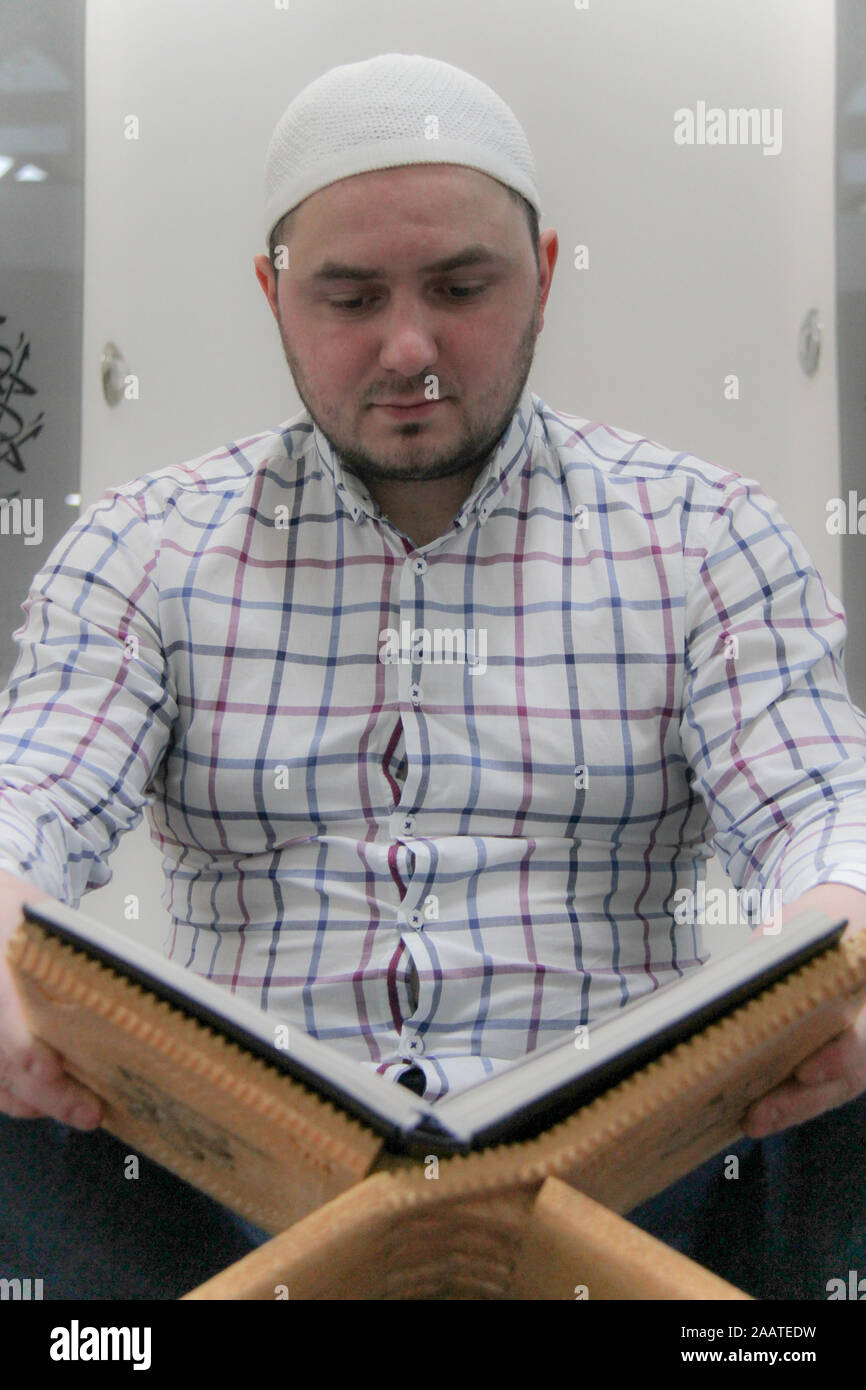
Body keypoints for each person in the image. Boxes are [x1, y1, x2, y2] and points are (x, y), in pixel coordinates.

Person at [1, 51, 866, 1300]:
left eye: (461, 287)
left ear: (546, 275)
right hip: (241, 1193)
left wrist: (831, 939)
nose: (410, 348)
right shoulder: (144, 544)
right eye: (348, 299)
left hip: (628, 1186)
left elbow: (819, 802)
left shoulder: (703, 531)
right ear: (271, 291)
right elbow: (35, 787)